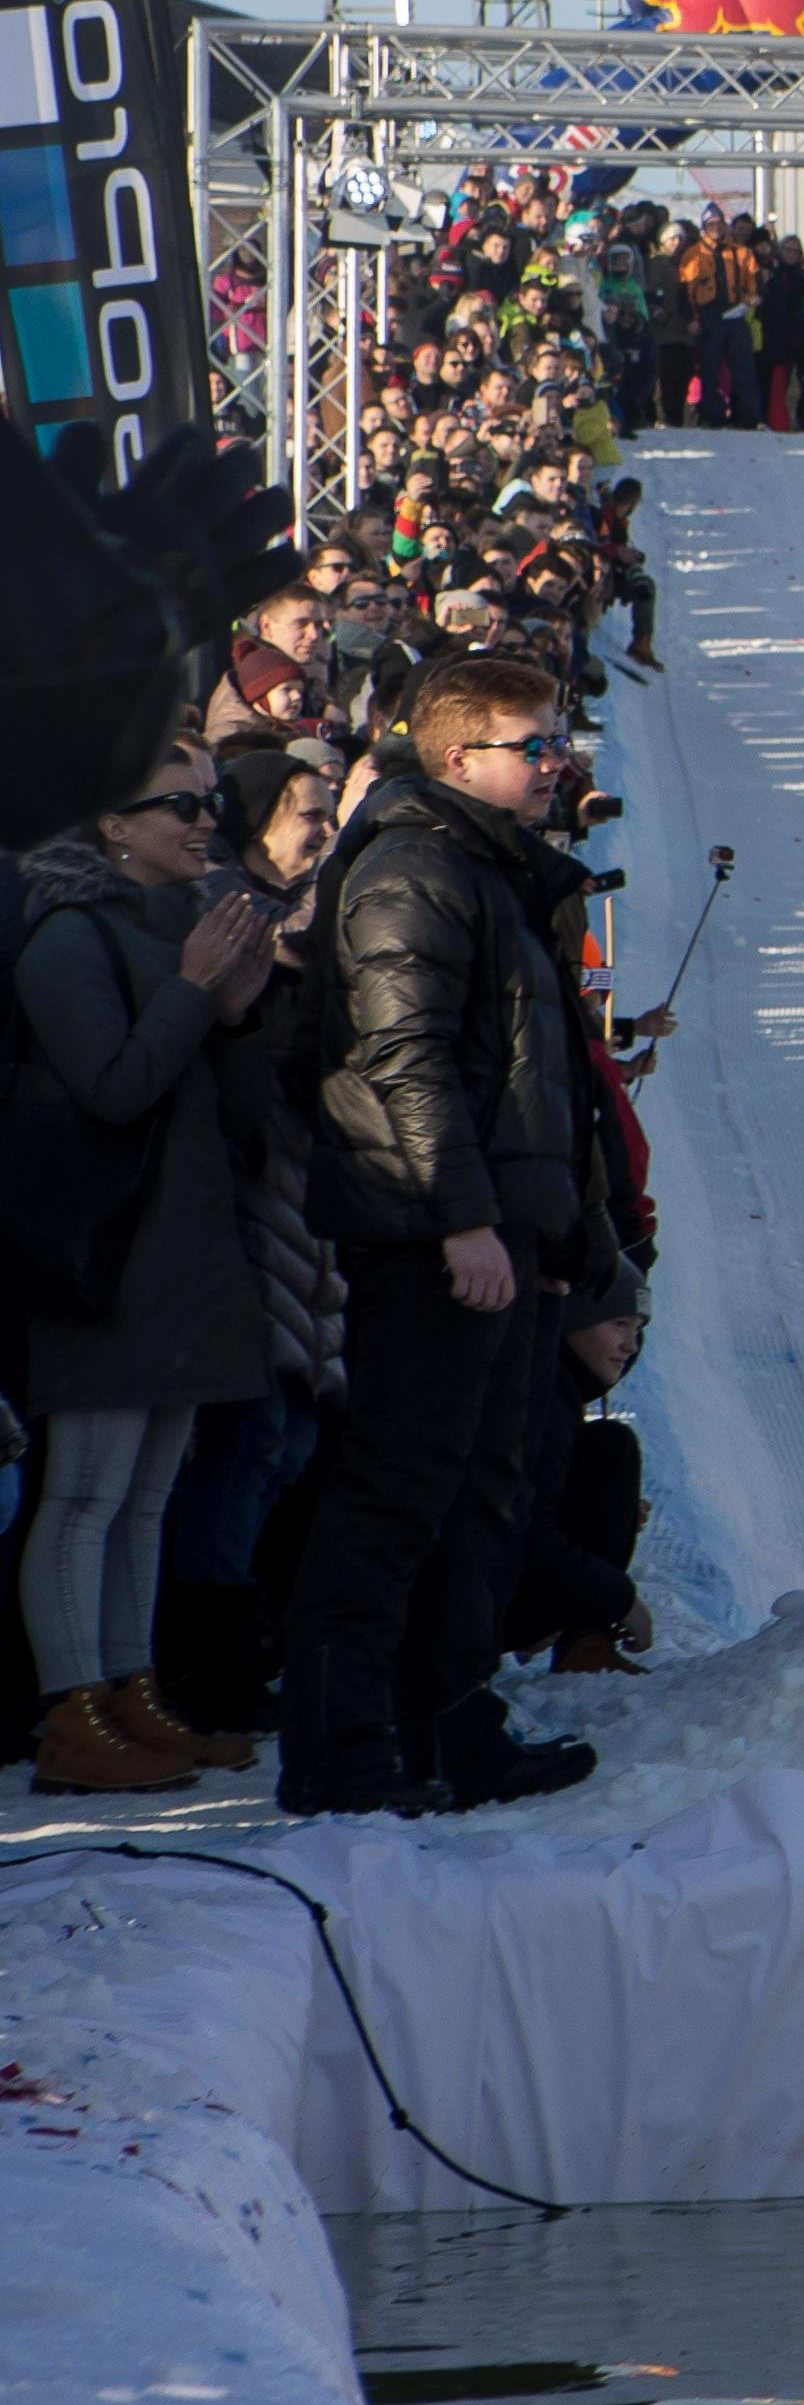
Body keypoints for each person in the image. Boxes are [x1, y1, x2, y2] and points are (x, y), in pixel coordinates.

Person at [280, 654, 608, 1815]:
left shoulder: (487, 867)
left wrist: (559, 1232)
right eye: (534, 743)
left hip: (500, 1229)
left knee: (478, 1487)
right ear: (461, 755)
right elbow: (403, 1059)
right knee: (397, 1488)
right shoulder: (414, 867)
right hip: (430, 1234)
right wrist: (463, 1220)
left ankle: (447, 1719)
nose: (555, 758)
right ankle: (338, 1746)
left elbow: (535, 1072)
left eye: (555, 739)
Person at [14, 740, 285, 1792]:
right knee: (85, 1492)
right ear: (110, 823)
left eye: (210, 801)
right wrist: (196, 995)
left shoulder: (194, 931)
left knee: (148, 1493)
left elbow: (240, 1113)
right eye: (176, 803)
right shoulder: (65, 935)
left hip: (186, 1248)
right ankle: (70, 1709)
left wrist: (241, 1012)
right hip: (103, 1256)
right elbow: (114, 1086)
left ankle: (134, 1689)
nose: (202, 819)